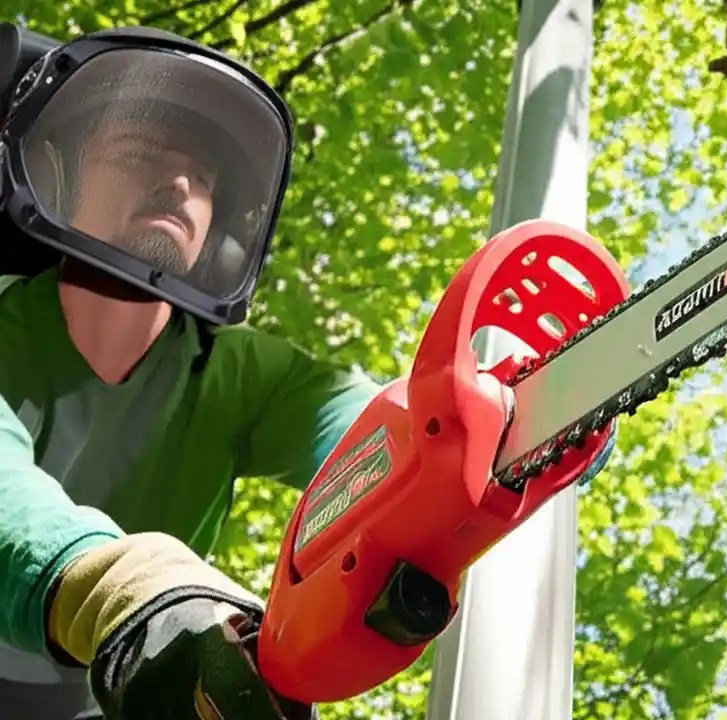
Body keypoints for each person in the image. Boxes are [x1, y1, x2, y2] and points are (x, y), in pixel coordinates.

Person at [0, 23, 613, 720]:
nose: (178, 182)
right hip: (110, 636)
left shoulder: (238, 373)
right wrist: (132, 590)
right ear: (58, 174)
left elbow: (375, 432)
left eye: (202, 178)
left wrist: (500, 431)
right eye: (142, 151)